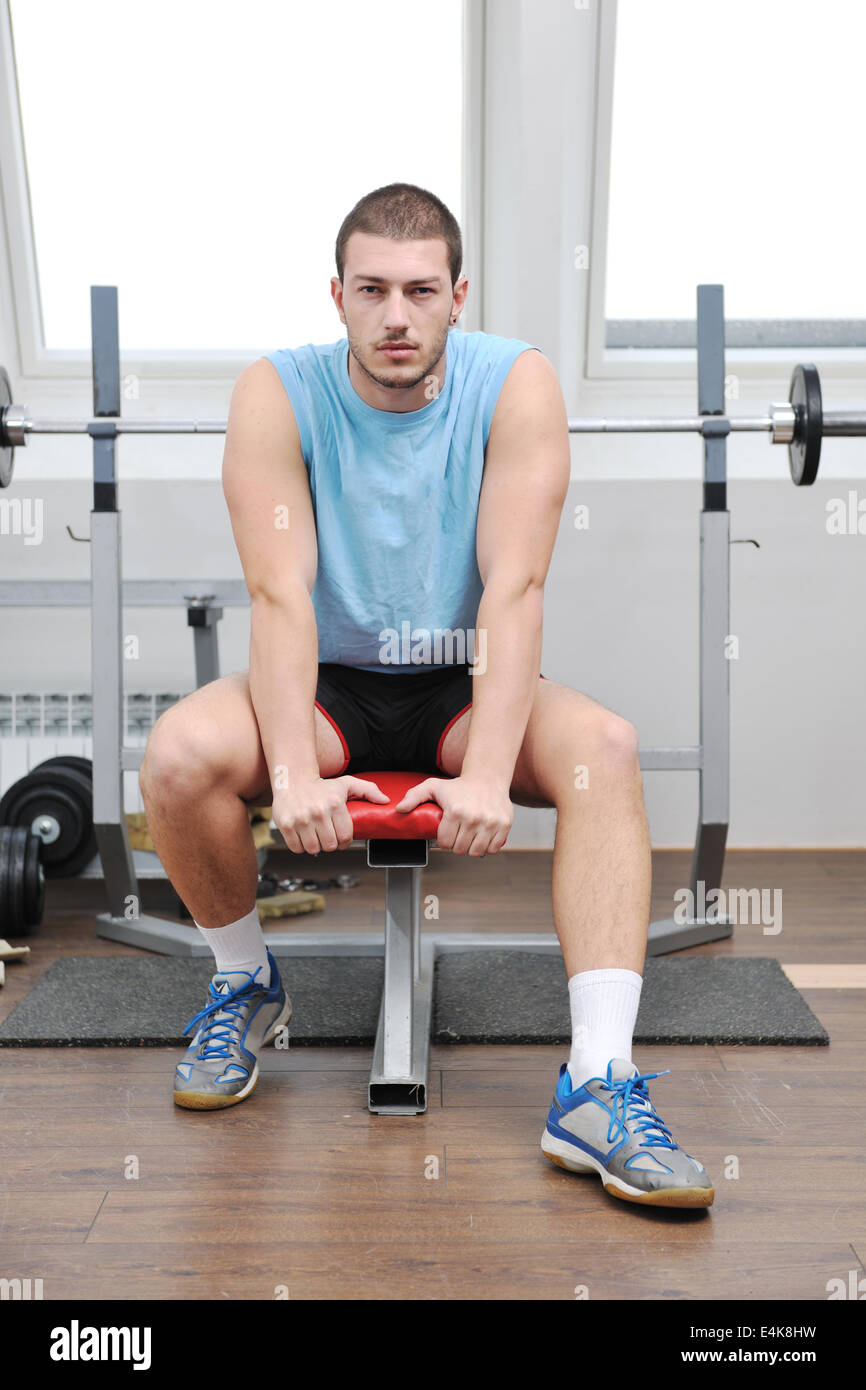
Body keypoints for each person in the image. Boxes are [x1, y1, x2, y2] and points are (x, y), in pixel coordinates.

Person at [139, 182, 713, 1208]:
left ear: (457, 293)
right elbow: (277, 592)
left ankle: (593, 1082)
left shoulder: (514, 382)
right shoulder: (277, 391)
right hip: (326, 682)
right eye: (370, 290)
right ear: (337, 295)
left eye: (417, 291)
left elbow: (515, 584)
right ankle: (243, 980)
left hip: (465, 679)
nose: (394, 316)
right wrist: (286, 771)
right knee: (179, 755)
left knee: (607, 750)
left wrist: (488, 774)